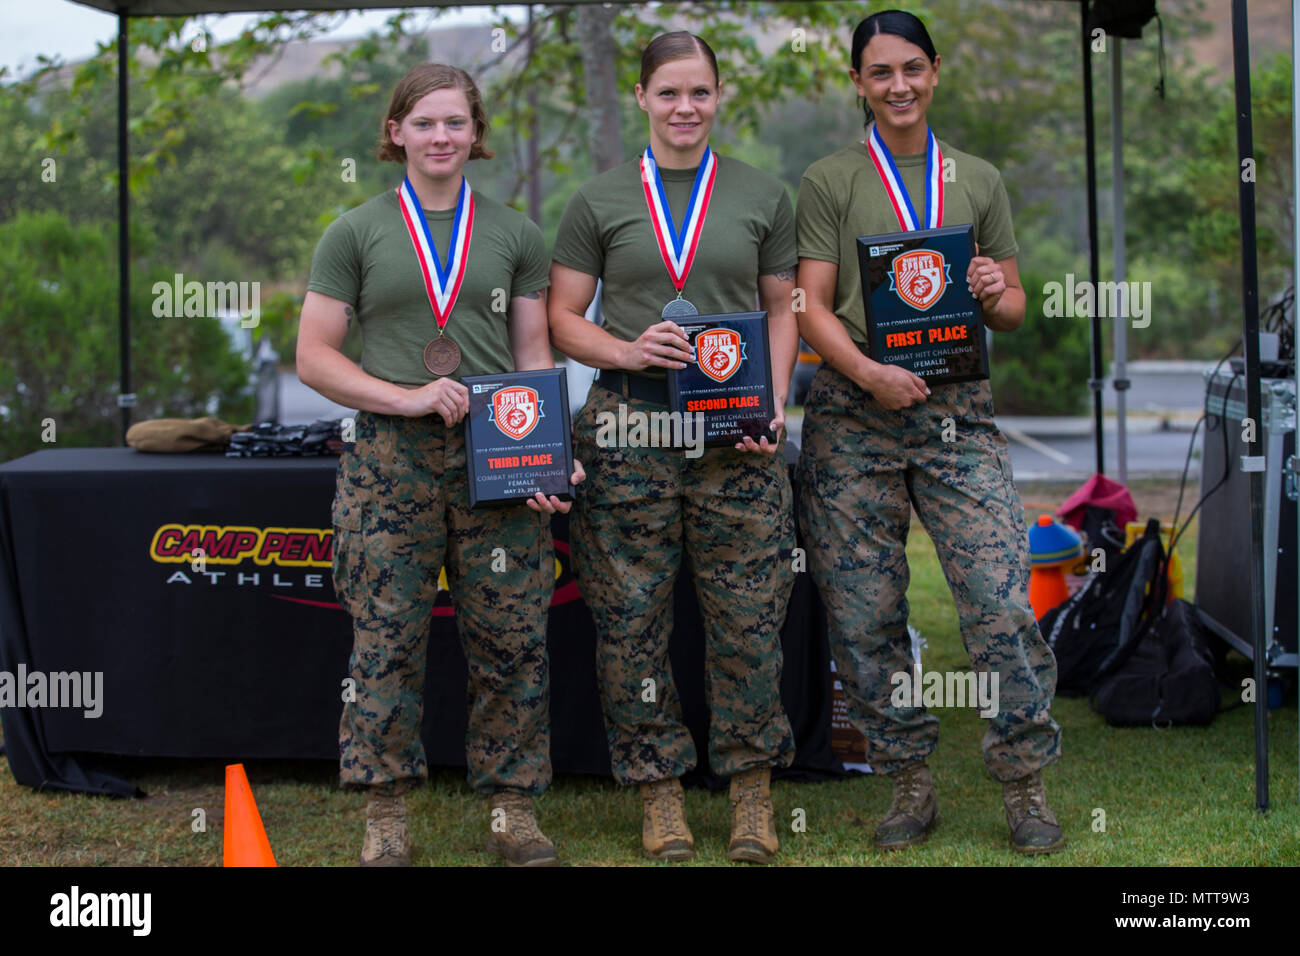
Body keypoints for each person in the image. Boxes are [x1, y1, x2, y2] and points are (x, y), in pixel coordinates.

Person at [297, 63, 583, 868]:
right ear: (395, 132)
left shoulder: (516, 234)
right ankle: (386, 814)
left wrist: (547, 456)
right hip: (391, 463)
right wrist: (407, 397)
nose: (440, 137)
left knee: (512, 637)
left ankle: (512, 814)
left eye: (455, 122)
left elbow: (533, 355)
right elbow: (314, 358)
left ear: (475, 133)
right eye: (423, 123)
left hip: (498, 453)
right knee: (387, 641)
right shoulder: (355, 232)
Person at [794, 10, 1064, 855]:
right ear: (858, 83)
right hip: (853, 413)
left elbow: (1015, 309)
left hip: (957, 414)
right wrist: (867, 371)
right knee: (864, 613)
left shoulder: (975, 177)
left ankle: (1025, 785)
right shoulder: (832, 179)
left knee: (998, 600)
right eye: (880, 72)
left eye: (912, 68)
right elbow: (808, 302)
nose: (898, 85)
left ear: (935, 71)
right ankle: (908, 781)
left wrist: (991, 287)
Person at [548, 32, 798, 864]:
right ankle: (659, 793)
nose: (684, 109)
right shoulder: (600, 200)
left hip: (735, 436)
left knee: (750, 619)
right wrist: (623, 352)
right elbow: (560, 318)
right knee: (629, 623)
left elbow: (783, 309)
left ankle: (752, 794)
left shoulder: (761, 194)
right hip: (629, 433)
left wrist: (774, 398)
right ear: (642, 98)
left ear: (718, 96)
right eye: (668, 94)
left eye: (699, 93)